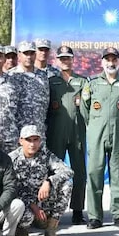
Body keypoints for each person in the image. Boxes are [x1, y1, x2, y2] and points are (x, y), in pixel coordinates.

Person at [79, 47, 119, 229]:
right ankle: (95, 216)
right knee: (95, 173)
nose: (111, 63)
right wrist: (96, 124)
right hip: (96, 134)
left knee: (118, 174)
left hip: (118, 135)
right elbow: (84, 108)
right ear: (102, 62)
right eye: (107, 59)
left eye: (114, 59)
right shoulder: (92, 82)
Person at [9, 124, 73, 236]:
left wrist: (49, 181)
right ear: (21, 141)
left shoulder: (45, 155)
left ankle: (51, 230)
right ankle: (22, 228)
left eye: (35, 140)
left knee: (66, 185)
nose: (32, 144)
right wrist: (32, 205)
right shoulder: (12, 159)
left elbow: (68, 171)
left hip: (42, 198)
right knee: (23, 213)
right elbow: (11, 189)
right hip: (25, 203)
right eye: (28, 140)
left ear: (40, 141)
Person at [46, 44, 89, 224]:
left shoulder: (83, 81)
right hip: (56, 131)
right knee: (53, 171)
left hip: (77, 131)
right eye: (62, 58)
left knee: (79, 171)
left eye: (68, 58)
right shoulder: (52, 81)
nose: (65, 61)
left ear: (73, 60)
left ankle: (77, 209)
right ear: (57, 60)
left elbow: (88, 104)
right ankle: (51, 209)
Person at [8, 40, 50, 140]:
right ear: (19, 55)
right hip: (18, 131)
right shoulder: (10, 76)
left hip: (38, 130)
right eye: (26, 53)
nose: (29, 57)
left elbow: (46, 103)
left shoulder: (42, 76)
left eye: (31, 53)